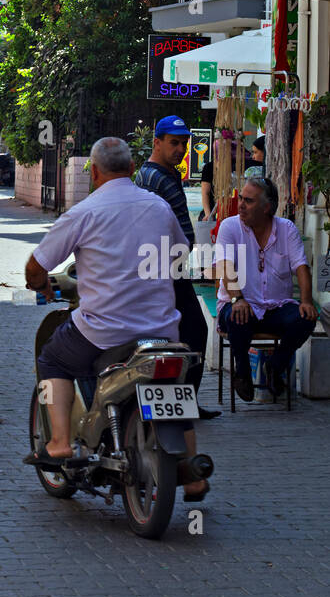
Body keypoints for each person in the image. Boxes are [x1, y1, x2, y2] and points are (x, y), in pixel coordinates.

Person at [25, 137, 209, 501]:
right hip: (162, 330)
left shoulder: (84, 212)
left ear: (93, 172)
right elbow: (179, 255)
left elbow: (35, 267)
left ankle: (60, 443)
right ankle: (193, 477)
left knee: (53, 357)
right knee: (174, 389)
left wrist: (43, 285)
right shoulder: (158, 206)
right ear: (130, 168)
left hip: (103, 331)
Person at [133, 115, 219, 420]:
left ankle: (180, 401)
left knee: (184, 335)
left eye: (183, 143)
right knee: (193, 333)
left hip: (170, 270)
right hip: (165, 271)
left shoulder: (162, 174)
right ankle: (182, 403)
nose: (181, 149)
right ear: (157, 142)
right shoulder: (155, 177)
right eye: (174, 143)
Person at [216, 176, 317, 401]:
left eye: (248, 201)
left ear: (266, 207)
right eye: (241, 198)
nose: (241, 204)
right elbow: (224, 265)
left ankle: (276, 366)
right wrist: (237, 299)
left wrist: (307, 301)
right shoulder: (229, 226)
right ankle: (242, 371)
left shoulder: (286, 228)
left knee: (306, 318)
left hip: (275, 307)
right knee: (237, 316)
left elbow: (301, 266)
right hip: (239, 304)